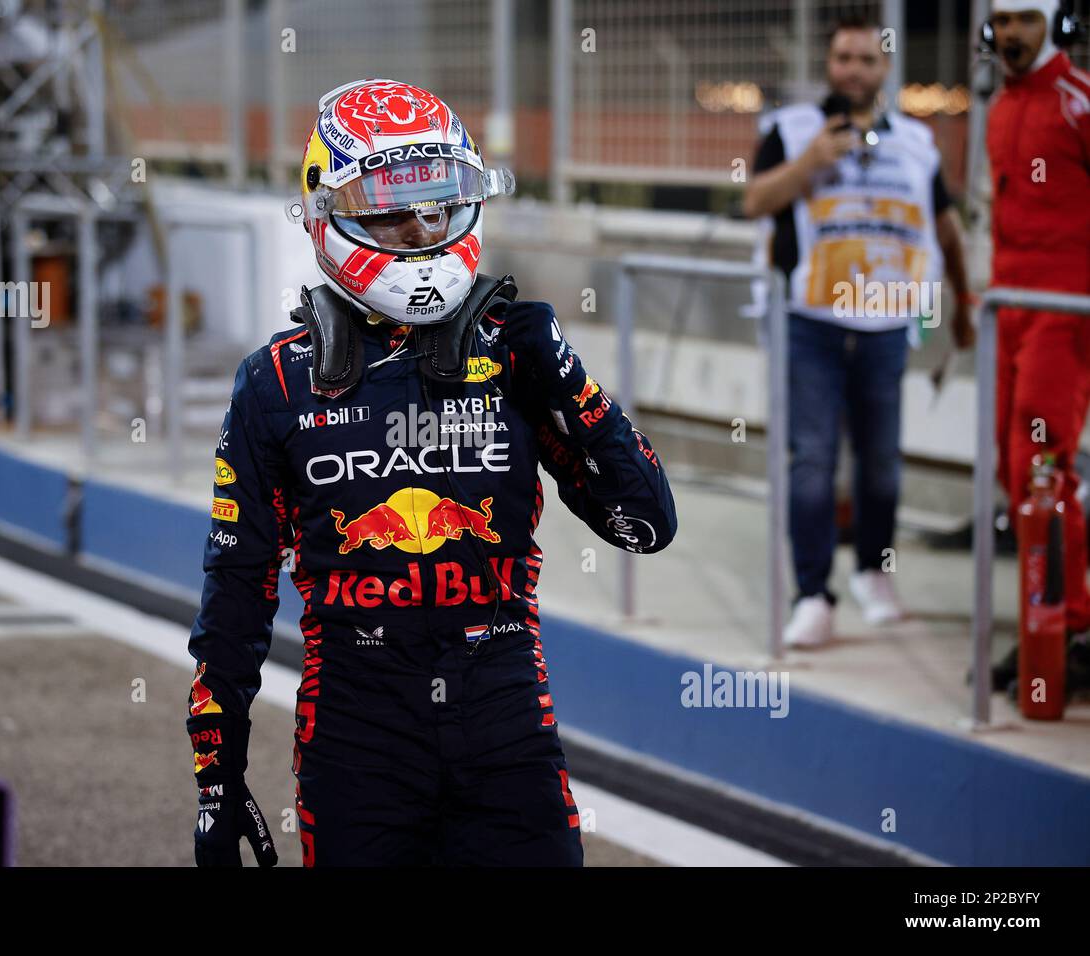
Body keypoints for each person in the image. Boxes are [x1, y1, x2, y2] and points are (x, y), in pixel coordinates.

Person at [185, 78, 677, 866]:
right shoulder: (275, 383)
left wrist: (569, 385)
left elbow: (647, 525)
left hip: (506, 717)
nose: (421, 229)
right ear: (328, 211)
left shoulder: (517, 352)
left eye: (438, 203)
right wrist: (217, 774)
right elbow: (237, 594)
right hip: (357, 731)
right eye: (391, 206)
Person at [743, 15, 974, 648]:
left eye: (866, 59)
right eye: (843, 57)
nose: (853, 69)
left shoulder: (919, 144)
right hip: (810, 323)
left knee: (881, 463)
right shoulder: (790, 131)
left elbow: (945, 226)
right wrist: (810, 164)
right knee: (813, 460)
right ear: (829, 63)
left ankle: (876, 572)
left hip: (887, 324)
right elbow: (754, 201)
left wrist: (961, 300)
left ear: (885, 68)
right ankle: (813, 595)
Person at [983, 0, 1090, 693]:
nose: (1012, 33)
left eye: (1026, 18)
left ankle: (1069, 628)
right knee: (1010, 468)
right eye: (1004, 20)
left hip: (1065, 311)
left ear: (1052, 23)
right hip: (1008, 308)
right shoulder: (997, 109)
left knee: (1041, 466)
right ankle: (1043, 620)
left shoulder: (1078, 101)